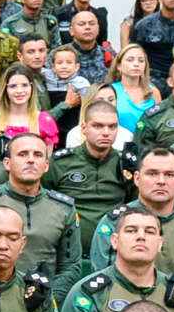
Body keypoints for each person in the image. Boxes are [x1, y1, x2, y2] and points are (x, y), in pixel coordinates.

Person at [0, 130, 82, 294]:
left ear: (46, 166)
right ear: (7, 163)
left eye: (38, 155)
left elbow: (70, 266)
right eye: (22, 154)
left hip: (46, 297)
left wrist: (46, 299)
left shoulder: (64, 208)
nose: (31, 160)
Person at [88, 146, 174, 286]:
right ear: (137, 178)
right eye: (152, 174)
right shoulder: (114, 222)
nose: (161, 181)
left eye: (169, 175)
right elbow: (103, 282)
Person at [48, 99, 136, 243]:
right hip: (67, 243)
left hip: (112, 245)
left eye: (112, 127)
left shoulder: (127, 164)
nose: (106, 132)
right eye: (98, 126)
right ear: (84, 128)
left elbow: (137, 206)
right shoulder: (60, 163)